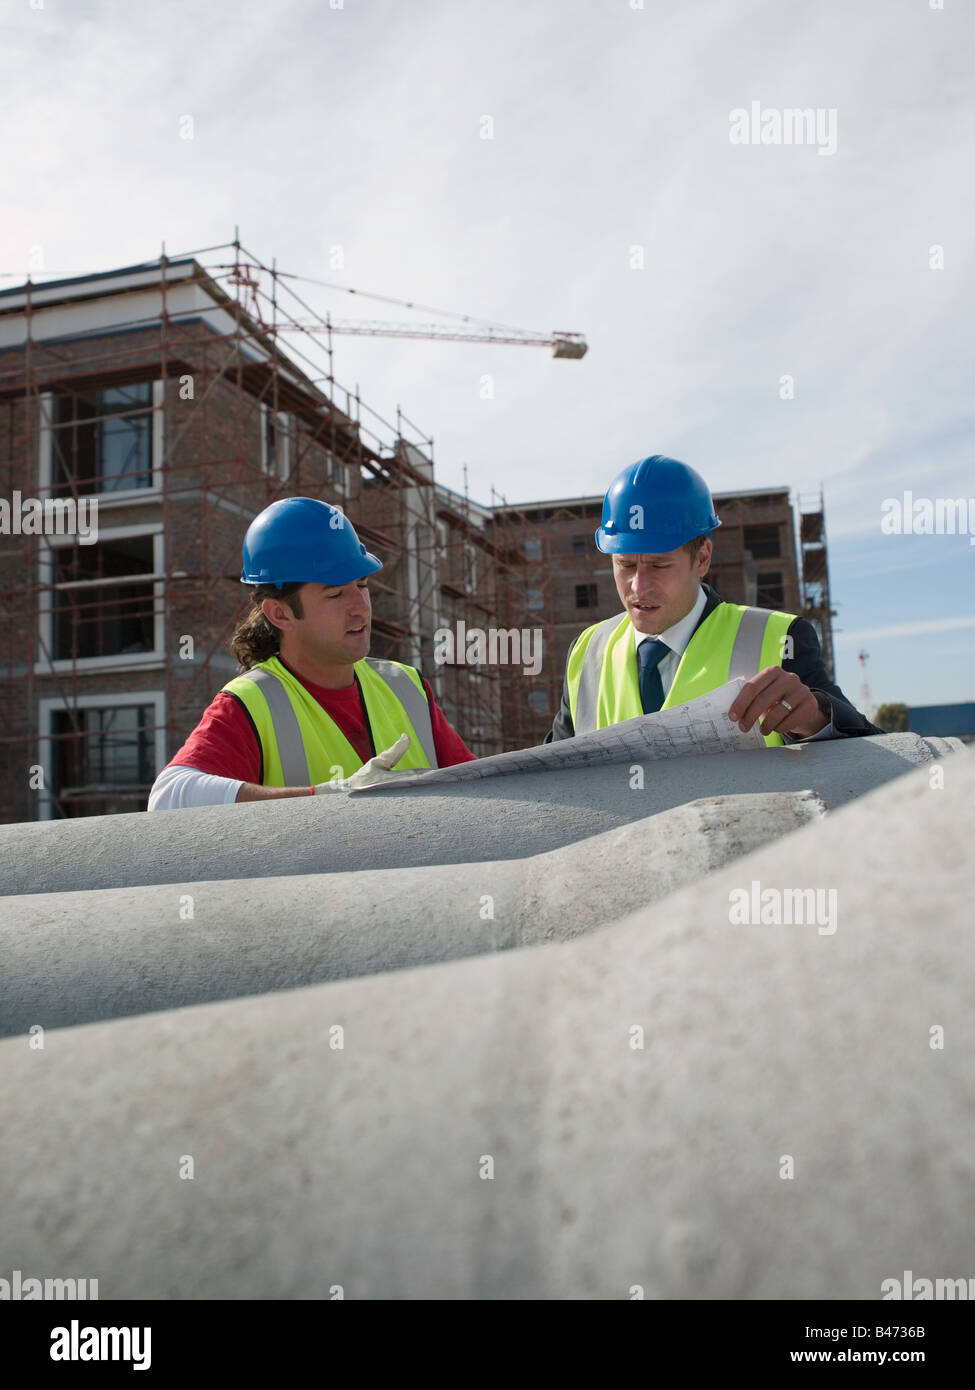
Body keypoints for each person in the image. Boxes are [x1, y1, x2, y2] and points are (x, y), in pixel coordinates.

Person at [148, 497, 475, 810]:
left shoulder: (406, 687)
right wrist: (323, 798)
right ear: (280, 614)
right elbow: (168, 798)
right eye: (335, 594)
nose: (361, 609)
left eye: (362, 585)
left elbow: (480, 788)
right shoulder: (252, 703)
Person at [546, 455, 880, 745]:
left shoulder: (779, 639)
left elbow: (873, 758)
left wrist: (817, 719)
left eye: (659, 565)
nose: (638, 585)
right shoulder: (586, 653)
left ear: (702, 558)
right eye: (625, 565)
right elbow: (551, 776)